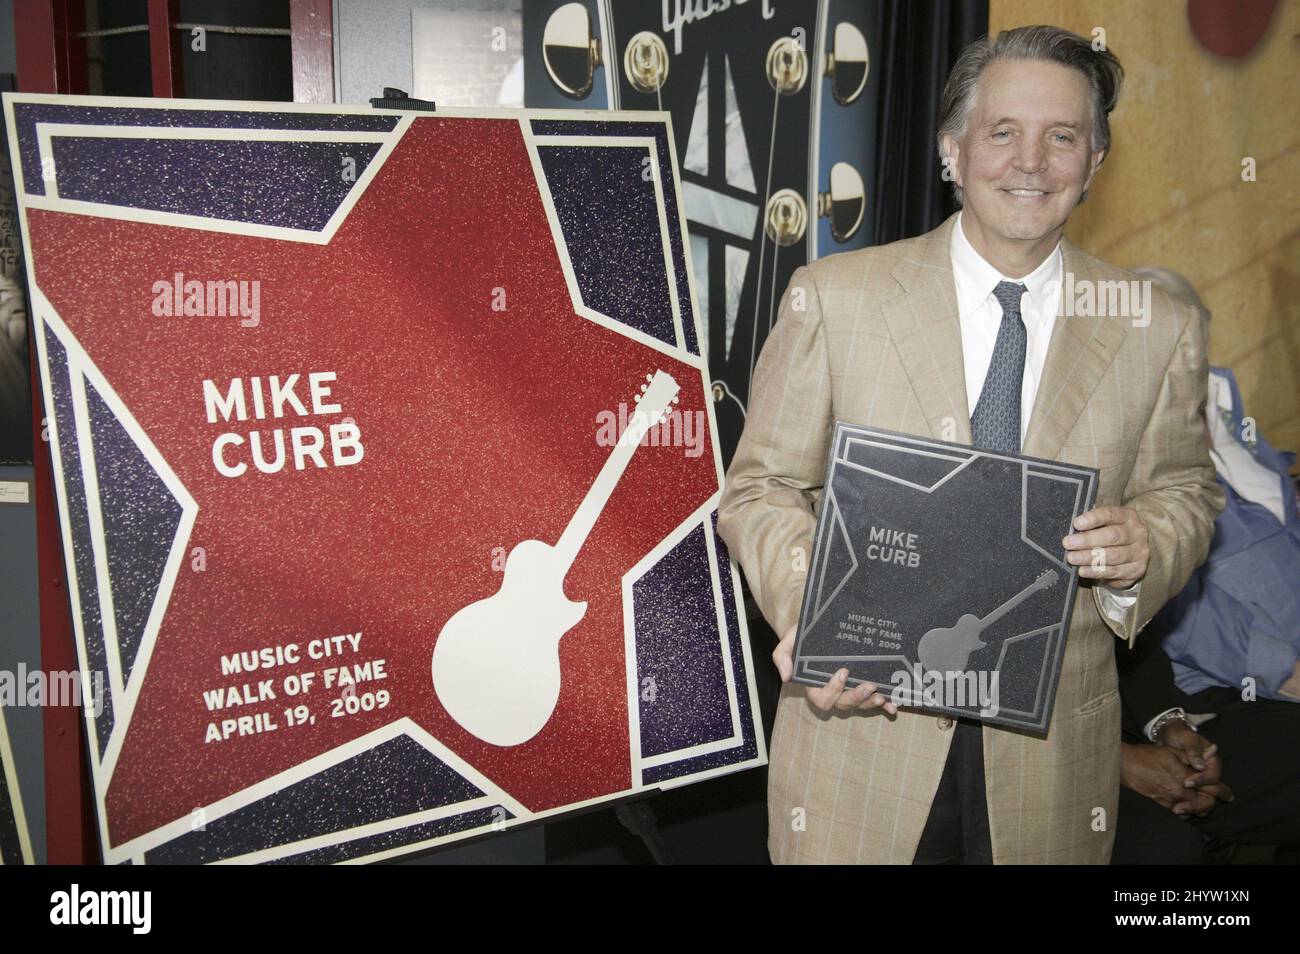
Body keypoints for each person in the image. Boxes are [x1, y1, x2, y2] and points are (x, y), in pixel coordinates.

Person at [717, 25, 1224, 864]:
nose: (1031, 161)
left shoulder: (1155, 326)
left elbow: (1187, 492)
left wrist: (1147, 544)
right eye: (1002, 133)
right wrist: (816, 606)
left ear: (1094, 161)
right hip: (859, 741)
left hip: (1053, 762)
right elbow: (761, 486)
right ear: (952, 150)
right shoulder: (837, 298)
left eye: (1062, 136)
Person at [1111, 268, 1300, 864]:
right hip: (1230, 687)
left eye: (1185, 343)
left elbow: (1270, 501)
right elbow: (1173, 610)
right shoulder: (1126, 457)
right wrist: (1286, 668)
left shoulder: (1221, 409)